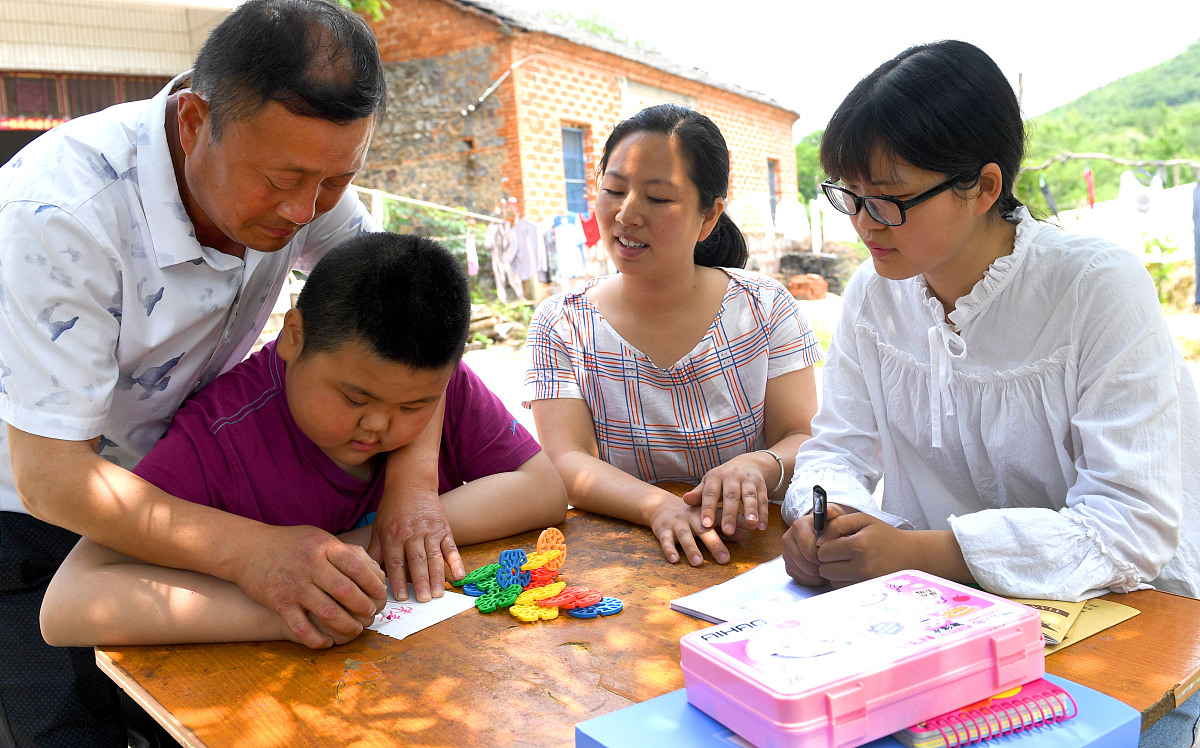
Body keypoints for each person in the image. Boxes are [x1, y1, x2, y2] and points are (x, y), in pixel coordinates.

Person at [0, 2, 444, 745]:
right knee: (68, 728)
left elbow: (409, 321)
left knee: (196, 720)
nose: (304, 209)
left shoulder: (305, 178)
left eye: (336, 181)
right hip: (26, 515)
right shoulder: (58, 215)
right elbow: (50, 477)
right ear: (195, 122)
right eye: (282, 178)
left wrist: (413, 486)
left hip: (173, 490)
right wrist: (252, 551)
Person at [781, 41, 1200, 605]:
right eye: (849, 196)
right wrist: (828, 522)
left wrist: (914, 555)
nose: (863, 224)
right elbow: (836, 449)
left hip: (1133, 610)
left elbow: (1129, 525)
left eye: (888, 200)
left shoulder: (1095, 288)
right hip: (938, 610)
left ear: (983, 187)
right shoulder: (874, 294)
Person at [39, 232, 567, 647]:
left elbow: (543, 489)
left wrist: (356, 551)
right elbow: (67, 606)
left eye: (413, 408)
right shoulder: (221, 437)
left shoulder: (432, 380)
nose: (380, 426)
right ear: (294, 336)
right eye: (354, 399)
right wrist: (304, 602)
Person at [525, 104, 822, 568]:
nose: (626, 214)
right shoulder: (562, 324)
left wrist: (759, 466)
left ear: (709, 216)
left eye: (658, 199)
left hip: (752, 561)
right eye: (614, 190)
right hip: (620, 567)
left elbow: (802, 436)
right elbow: (567, 460)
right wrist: (656, 507)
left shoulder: (763, 308)